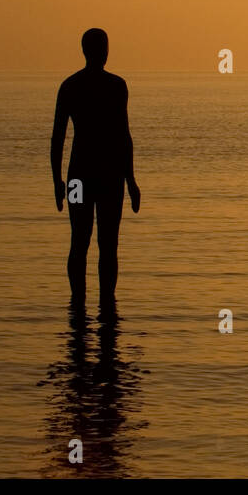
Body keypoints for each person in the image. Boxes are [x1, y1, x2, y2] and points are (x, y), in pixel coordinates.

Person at [51, 28, 141, 302]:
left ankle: (88, 303)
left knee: (82, 241)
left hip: (81, 175)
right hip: (107, 176)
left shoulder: (71, 85)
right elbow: (123, 136)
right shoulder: (114, 86)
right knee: (103, 244)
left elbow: (57, 140)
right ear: (101, 51)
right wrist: (130, 180)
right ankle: (99, 303)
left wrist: (58, 181)